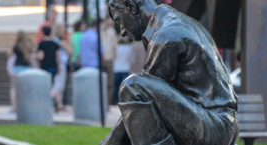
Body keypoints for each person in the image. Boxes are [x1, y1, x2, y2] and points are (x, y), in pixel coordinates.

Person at [101, 3, 238, 144]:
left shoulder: (166, 35)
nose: (122, 31)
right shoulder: (179, 23)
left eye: (119, 21)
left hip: (214, 127)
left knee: (132, 85)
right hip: (220, 124)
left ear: (131, 7)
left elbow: (138, 96)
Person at [7, 31, 38, 112]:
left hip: (17, 69)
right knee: (27, 89)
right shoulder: (28, 46)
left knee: (14, 88)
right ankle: (27, 106)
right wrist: (35, 69)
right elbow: (31, 59)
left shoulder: (15, 46)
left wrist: (10, 69)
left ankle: (14, 107)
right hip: (27, 70)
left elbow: (12, 59)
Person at [112, 37, 134, 105]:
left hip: (117, 69)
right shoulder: (129, 48)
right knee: (124, 87)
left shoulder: (116, 48)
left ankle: (117, 100)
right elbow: (131, 60)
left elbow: (113, 58)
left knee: (116, 86)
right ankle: (124, 100)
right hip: (125, 69)